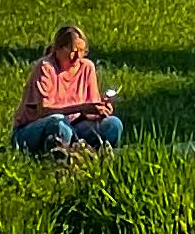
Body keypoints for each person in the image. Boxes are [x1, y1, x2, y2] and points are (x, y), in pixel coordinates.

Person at [11, 23, 122, 159]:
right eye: (73, 51)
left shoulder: (87, 67)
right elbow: (43, 110)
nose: (78, 57)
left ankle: (98, 154)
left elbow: (90, 110)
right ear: (59, 49)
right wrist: (81, 107)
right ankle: (58, 158)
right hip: (33, 129)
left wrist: (100, 111)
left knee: (113, 124)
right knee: (59, 123)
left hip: (75, 125)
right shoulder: (46, 68)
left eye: (82, 51)